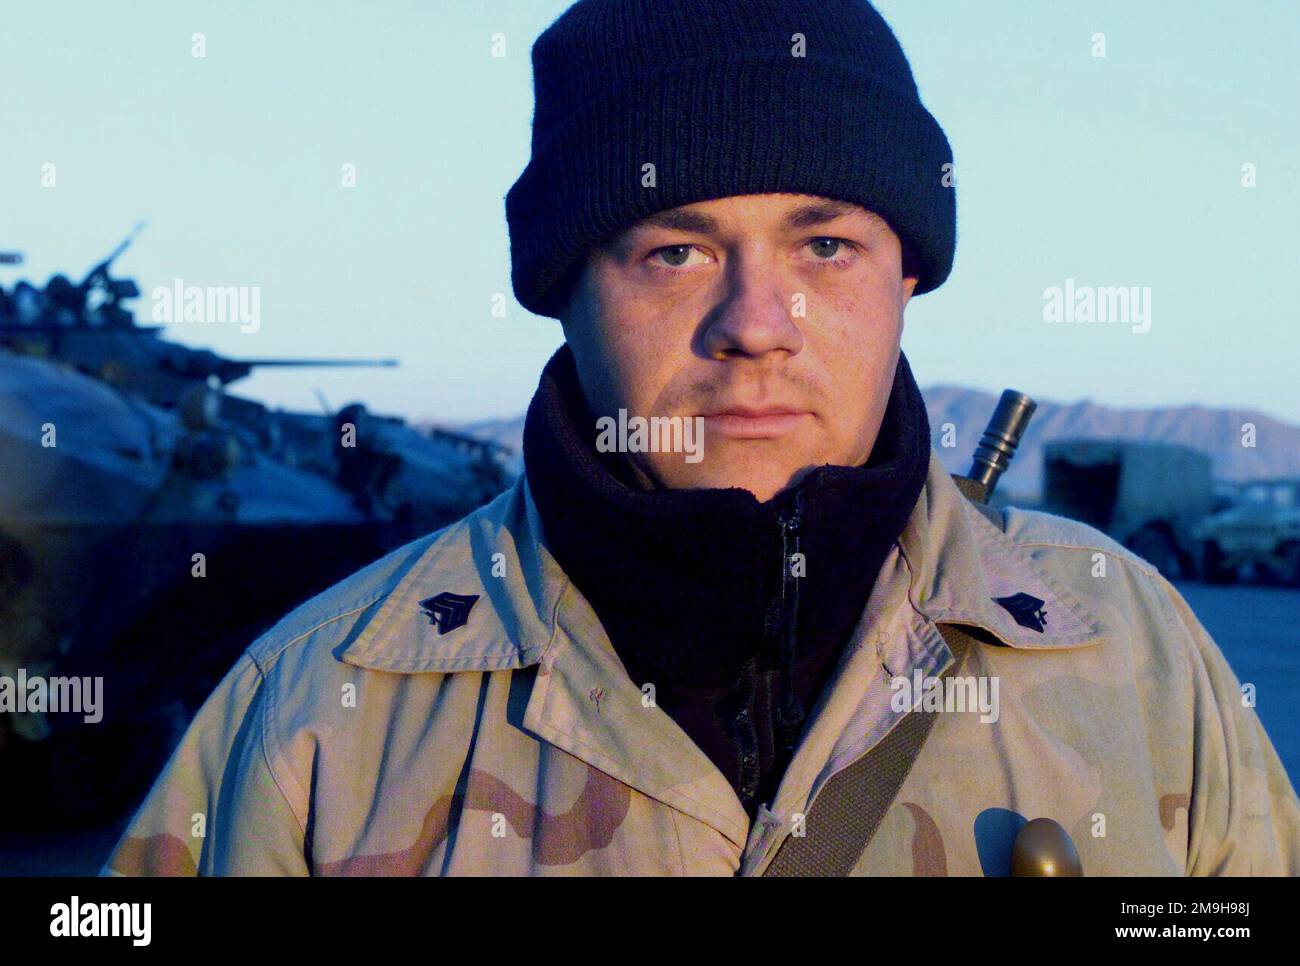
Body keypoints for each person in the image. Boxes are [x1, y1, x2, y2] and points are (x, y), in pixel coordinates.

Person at [103, 0, 1299, 876]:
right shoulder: (326, 701)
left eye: (824, 247)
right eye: (674, 252)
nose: (755, 328)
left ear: (905, 277)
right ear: (567, 286)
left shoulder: (1128, 653)